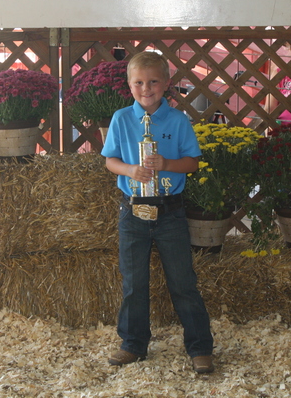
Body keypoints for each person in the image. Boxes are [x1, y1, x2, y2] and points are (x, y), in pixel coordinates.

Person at [100, 51, 215, 373]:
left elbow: (192, 163)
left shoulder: (178, 121)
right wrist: (129, 170)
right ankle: (133, 344)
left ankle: (199, 347)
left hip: (170, 214)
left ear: (166, 84)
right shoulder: (121, 119)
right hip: (133, 213)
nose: (146, 88)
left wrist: (166, 164)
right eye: (139, 82)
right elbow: (109, 161)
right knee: (134, 283)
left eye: (153, 82)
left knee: (182, 282)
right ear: (129, 85)